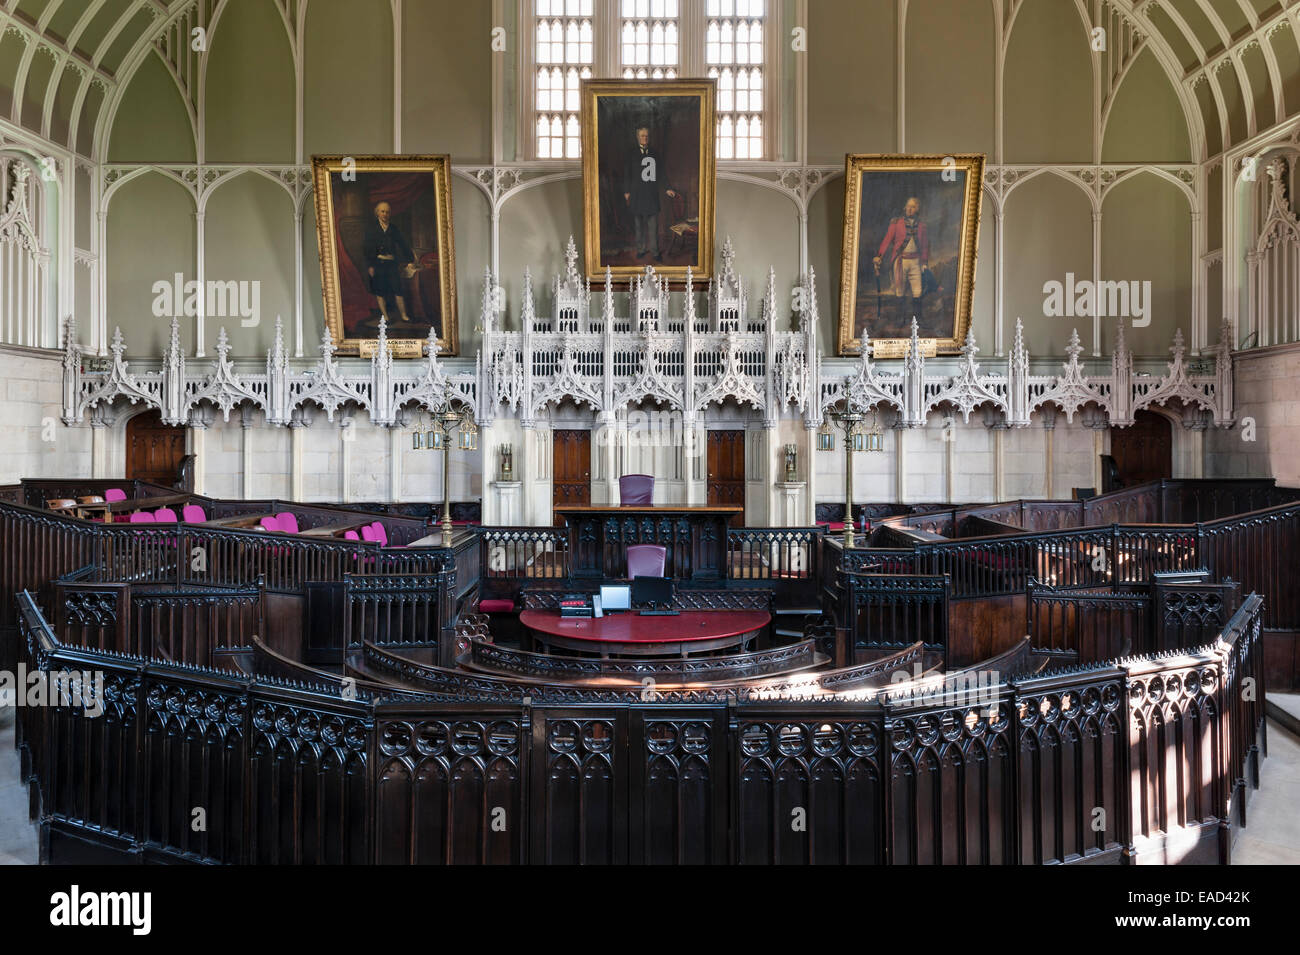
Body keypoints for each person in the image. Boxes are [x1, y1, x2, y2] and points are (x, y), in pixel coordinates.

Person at [622, 126, 678, 261]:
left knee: (653, 226)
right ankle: (641, 249)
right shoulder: (631, 154)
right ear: (638, 137)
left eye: (646, 136)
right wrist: (626, 191)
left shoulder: (654, 153)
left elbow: (661, 173)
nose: (644, 138)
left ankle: (655, 251)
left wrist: (667, 188)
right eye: (642, 136)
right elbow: (627, 174)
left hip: (651, 195)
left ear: (649, 137)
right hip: (636, 194)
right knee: (639, 226)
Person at [363, 200, 417, 322]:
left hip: (392, 263)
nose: (385, 214)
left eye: (387, 212)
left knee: (398, 289)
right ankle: (385, 316)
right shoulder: (372, 229)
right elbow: (367, 248)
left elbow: (403, 244)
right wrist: (370, 265)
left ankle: (403, 315)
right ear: (377, 213)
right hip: (378, 264)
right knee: (380, 290)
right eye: (382, 211)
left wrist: (410, 259)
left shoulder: (393, 228)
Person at [872, 196, 929, 312]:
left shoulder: (922, 226)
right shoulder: (896, 223)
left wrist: (924, 262)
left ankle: (918, 319)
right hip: (900, 261)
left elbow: (924, 246)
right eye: (908, 206)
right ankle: (900, 318)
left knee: (917, 290)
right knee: (900, 290)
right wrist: (879, 256)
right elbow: (887, 240)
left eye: (913, 207)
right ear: (905, 207)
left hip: (916, 262)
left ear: (917, 209)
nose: (909, 209)